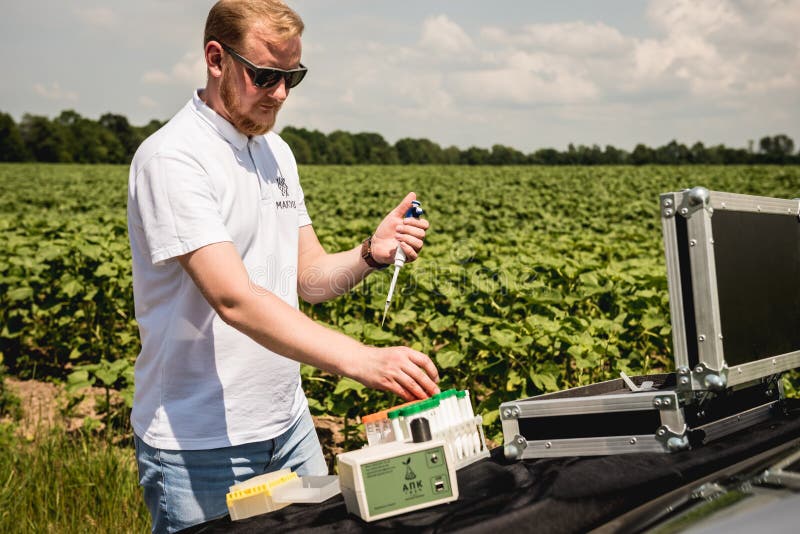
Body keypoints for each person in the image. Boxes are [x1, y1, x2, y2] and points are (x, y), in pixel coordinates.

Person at [126, 1, 439, 531]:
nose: (280, 94)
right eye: (265, 75)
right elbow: (235, 299)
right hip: (200, 445)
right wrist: (361, 360)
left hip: (289, 426)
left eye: (292, 76)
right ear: (216, 59)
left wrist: (369, 253)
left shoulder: (275, 152)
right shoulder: (173, 158)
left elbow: (309, 277)